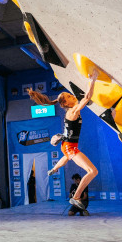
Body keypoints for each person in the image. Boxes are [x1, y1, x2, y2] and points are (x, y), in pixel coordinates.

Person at [28, 69, 99, 210]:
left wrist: (54, 168)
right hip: (69, 146)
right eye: (69, 96)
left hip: (67, 145)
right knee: (92, 171)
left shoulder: (71, 111)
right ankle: (76, 197)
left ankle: (54, 169)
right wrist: (92, 80)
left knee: (69, 159)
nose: (72, 96)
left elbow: (66, 155)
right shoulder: (73, 111)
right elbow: (87, 98)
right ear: (66, 103)